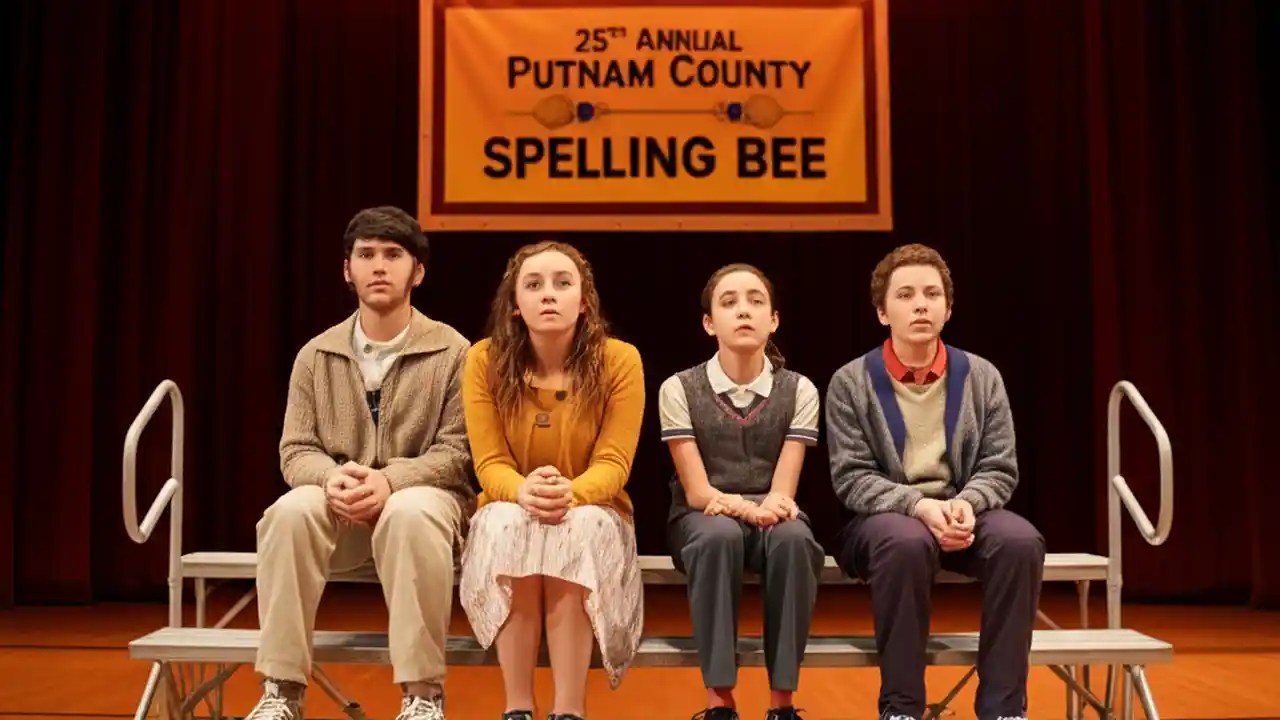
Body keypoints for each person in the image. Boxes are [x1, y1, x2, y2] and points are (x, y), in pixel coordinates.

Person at [248, 207, 474, 720]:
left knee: (411, 511)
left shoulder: (454, 351)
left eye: (393, 255)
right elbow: (295, 450)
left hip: (422, 511)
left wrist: (390, 481)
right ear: (347, 270)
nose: (379, 265)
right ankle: (281, 690)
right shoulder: (315, 355)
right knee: (289, 511)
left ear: (418, 272)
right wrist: (331, 478)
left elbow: (458, 452)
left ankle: (422, 695)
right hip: (342, 513)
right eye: (366, 254)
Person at [825, 243, 1045, 720]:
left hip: (964, 511)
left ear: (948, 307)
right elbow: (851, 477)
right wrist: (918, 506)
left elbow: (1000, 466)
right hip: (886, 521)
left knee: (1020, 542)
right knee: (905, 542)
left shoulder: (982, 376)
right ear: (882, 312)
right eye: (905, 295)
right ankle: (902, 708)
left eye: (931, 294)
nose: (920, 305)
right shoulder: (850, 382)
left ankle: (1004, 708)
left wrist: (967, 503)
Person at [458, 240, 646, 720]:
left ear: (583, 302)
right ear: (514, 304)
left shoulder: (620, 360)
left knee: (575, 526)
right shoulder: (483, 360)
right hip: (512, 504)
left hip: (595, 510)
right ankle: (517, 707)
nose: (548, 294)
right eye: (534, 284)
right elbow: (490, 462)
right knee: (506, 522)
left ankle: (569, 710)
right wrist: (523, 490)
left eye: (563, 283)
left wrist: (570, 492)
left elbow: (614, 462)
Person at [659, 264, 824, 720]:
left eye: (755, 301)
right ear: (709, 323)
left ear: (774, 320)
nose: (743, 311)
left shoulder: (800, 389)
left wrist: (767, 509)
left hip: (773, 510)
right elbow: (697, 492)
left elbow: (782, 492)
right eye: (729, 302)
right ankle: (719, 701)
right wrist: (745, 511)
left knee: (794, 540)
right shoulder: (679, 388)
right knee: (718, 537)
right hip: (702, 515)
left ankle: (782, 702)